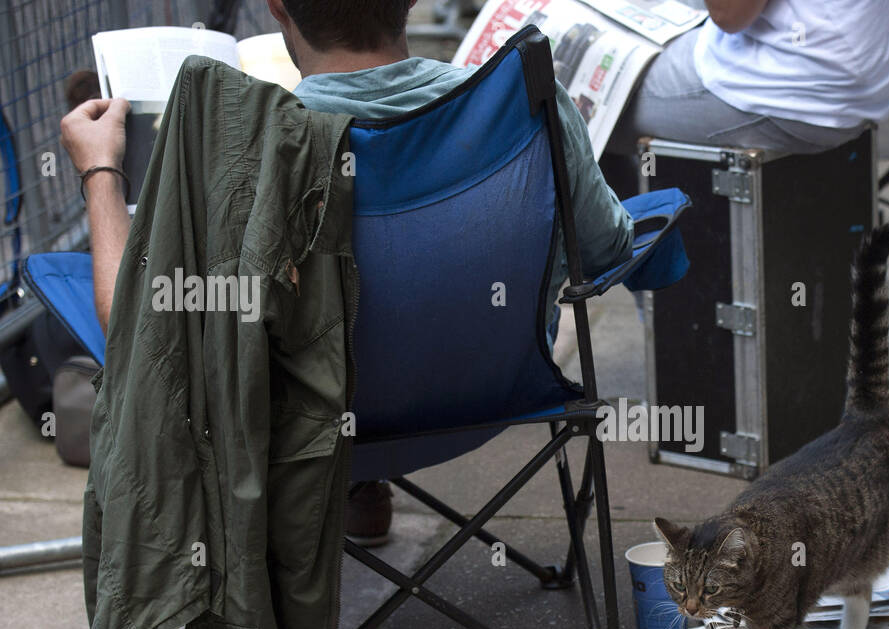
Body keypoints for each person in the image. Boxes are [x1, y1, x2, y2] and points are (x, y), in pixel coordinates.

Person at [60, 0, 634, 545]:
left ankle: (345, 489)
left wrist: (101, 172)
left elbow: (134, 336)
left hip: (299, 433)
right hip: (495, 397)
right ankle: (362, 490)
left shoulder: (238, 152)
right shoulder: (526, 98)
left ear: (279, 7)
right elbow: (604, 246)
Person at [609, 0, 889, 155]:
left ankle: (625, 250)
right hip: (863, 76)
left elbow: (729, 13)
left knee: (574, 103)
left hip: (787, 89)